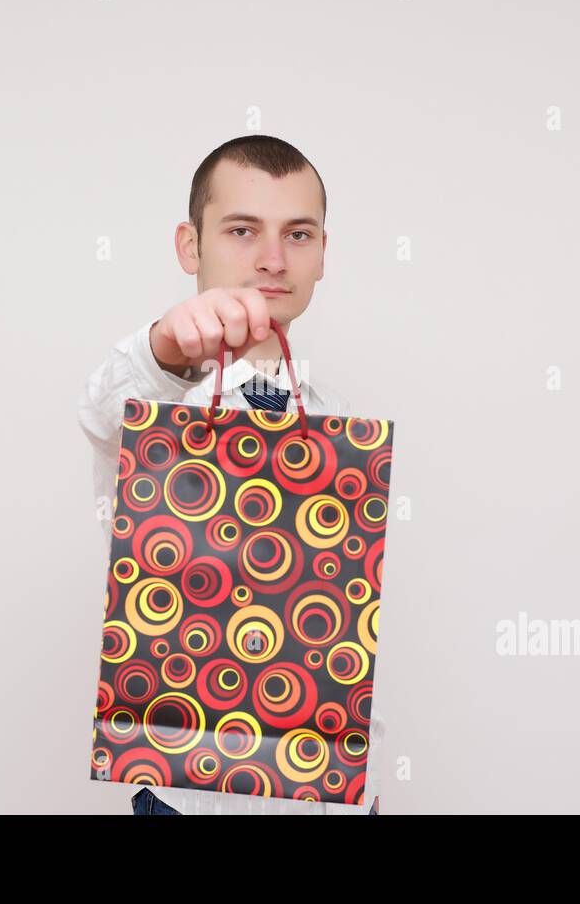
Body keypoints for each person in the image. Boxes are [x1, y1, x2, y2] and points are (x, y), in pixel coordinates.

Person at [78, 135, 385, 815]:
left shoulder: (333, 422)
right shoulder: (157, 401)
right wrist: (167, 342)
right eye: (242, 230)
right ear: (190, 245)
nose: (273, 259)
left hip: (344, 798)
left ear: (324, 252)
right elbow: (102, 411)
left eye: (297, 233)